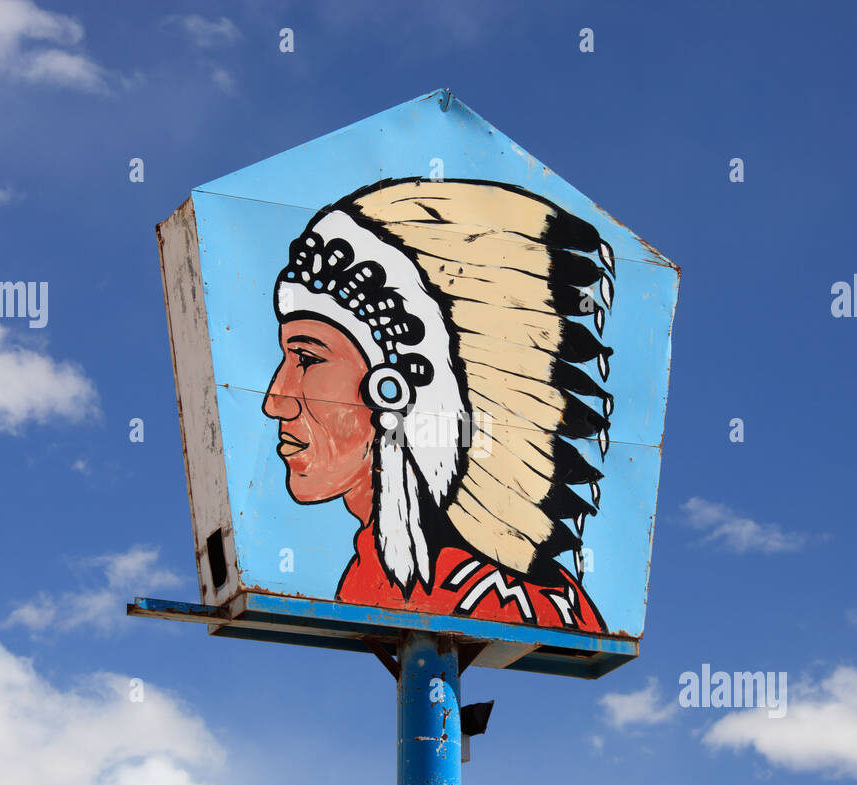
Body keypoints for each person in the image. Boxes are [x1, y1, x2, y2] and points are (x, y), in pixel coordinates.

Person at [262, 178, 616, 633]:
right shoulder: (372, 578)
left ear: (395, 389)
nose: (275, 400)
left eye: (307, 359)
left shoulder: (492, 598)